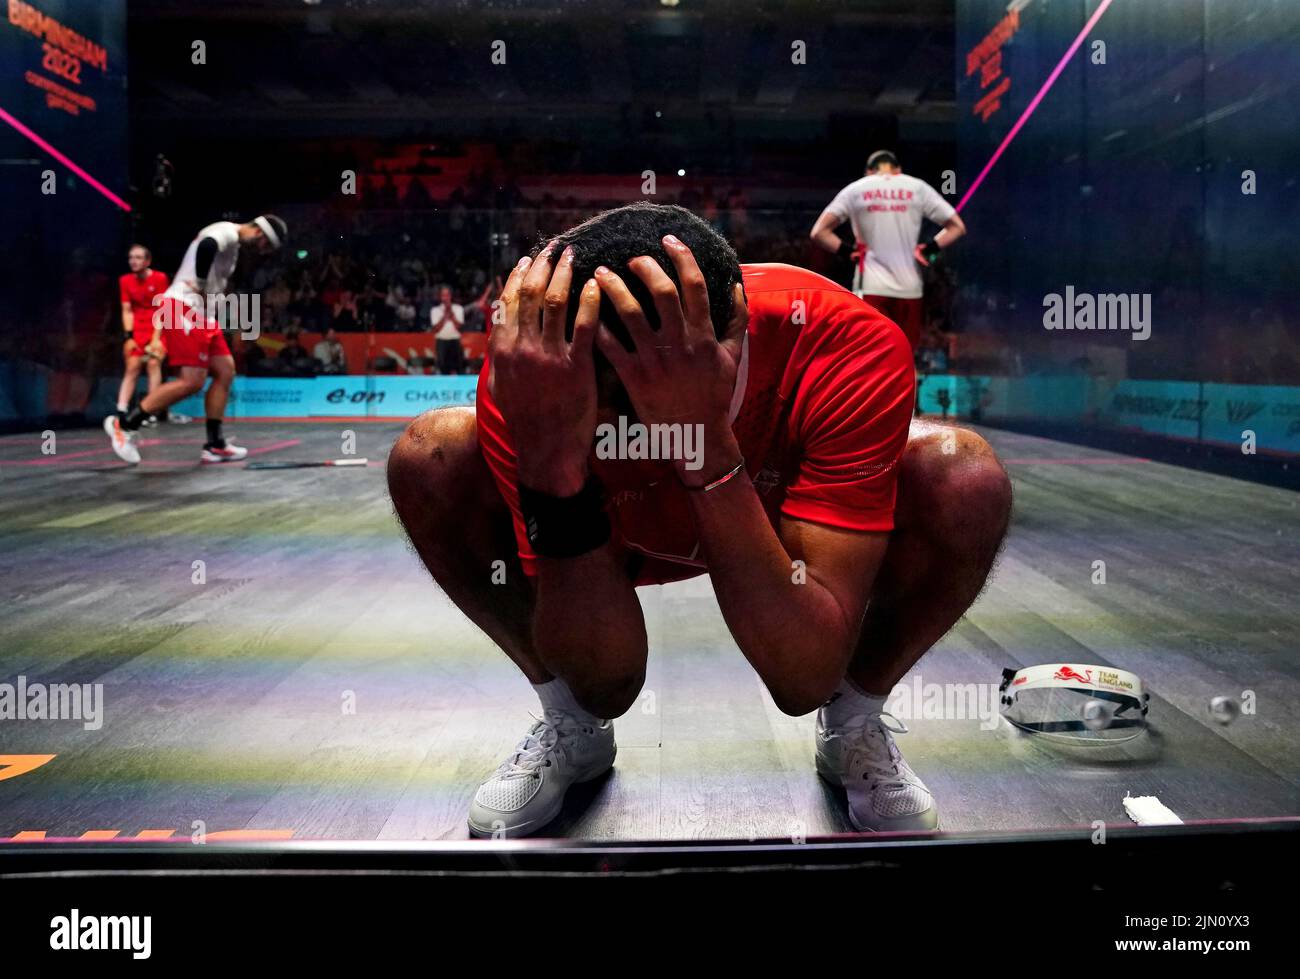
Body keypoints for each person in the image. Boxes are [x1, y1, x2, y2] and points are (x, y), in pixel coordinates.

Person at [387, 203, 1012, 838]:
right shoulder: (537, 370)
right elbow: (610, 682)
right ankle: (566, 717)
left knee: (963, 477)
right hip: (608, 529)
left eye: (620, 418)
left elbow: (801, 679)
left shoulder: (846, 340)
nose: (617, 441)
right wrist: (552, 466)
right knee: (432, 454)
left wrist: (703, 444)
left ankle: (854, 719)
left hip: (768, 521)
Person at [103, 215, 287, 465]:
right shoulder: (225, 232)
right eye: (266, 245)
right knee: (191, 381)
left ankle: (214, 445)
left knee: (225, 371)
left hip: (204, 315)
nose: (263, 251)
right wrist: (200, 283)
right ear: (260, 234)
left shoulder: (233, 246)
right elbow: (206, 246)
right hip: (182, 307)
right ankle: (124, 425)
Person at [810, 149, 967, 348]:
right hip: (910, 287)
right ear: (898, 169)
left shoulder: (856, 189)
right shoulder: (917, 188)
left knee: (870, 354)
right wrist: (928, 250)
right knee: (906, 355)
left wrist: (849, 252)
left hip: (870, 286)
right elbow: (957, 227)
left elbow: (819, 232)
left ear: (869, 171)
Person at [114, 244, 168, 422]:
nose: (133, 261)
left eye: (138, 257)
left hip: (158, 327)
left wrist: (156, 339)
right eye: (131, 258)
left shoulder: (160, 278)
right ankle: (121, 410)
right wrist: (128, 337)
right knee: (132, 366)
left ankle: (150, 410)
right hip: (138, 329)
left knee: (153, 364)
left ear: (147, 261)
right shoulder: (125, 280)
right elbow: (127, 310)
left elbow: (162, 310)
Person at [430, 285, 465, 374]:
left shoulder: (458, 308)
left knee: (459, 367)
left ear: (450, 296)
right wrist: (445, 315)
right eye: (443, 295)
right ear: (440, 297)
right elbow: (436, 328)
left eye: (447, 295)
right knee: (442, 367)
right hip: (441, 341)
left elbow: (458, 326)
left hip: (455, 340)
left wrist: (451, 313)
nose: (445, 298)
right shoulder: (435, 310)